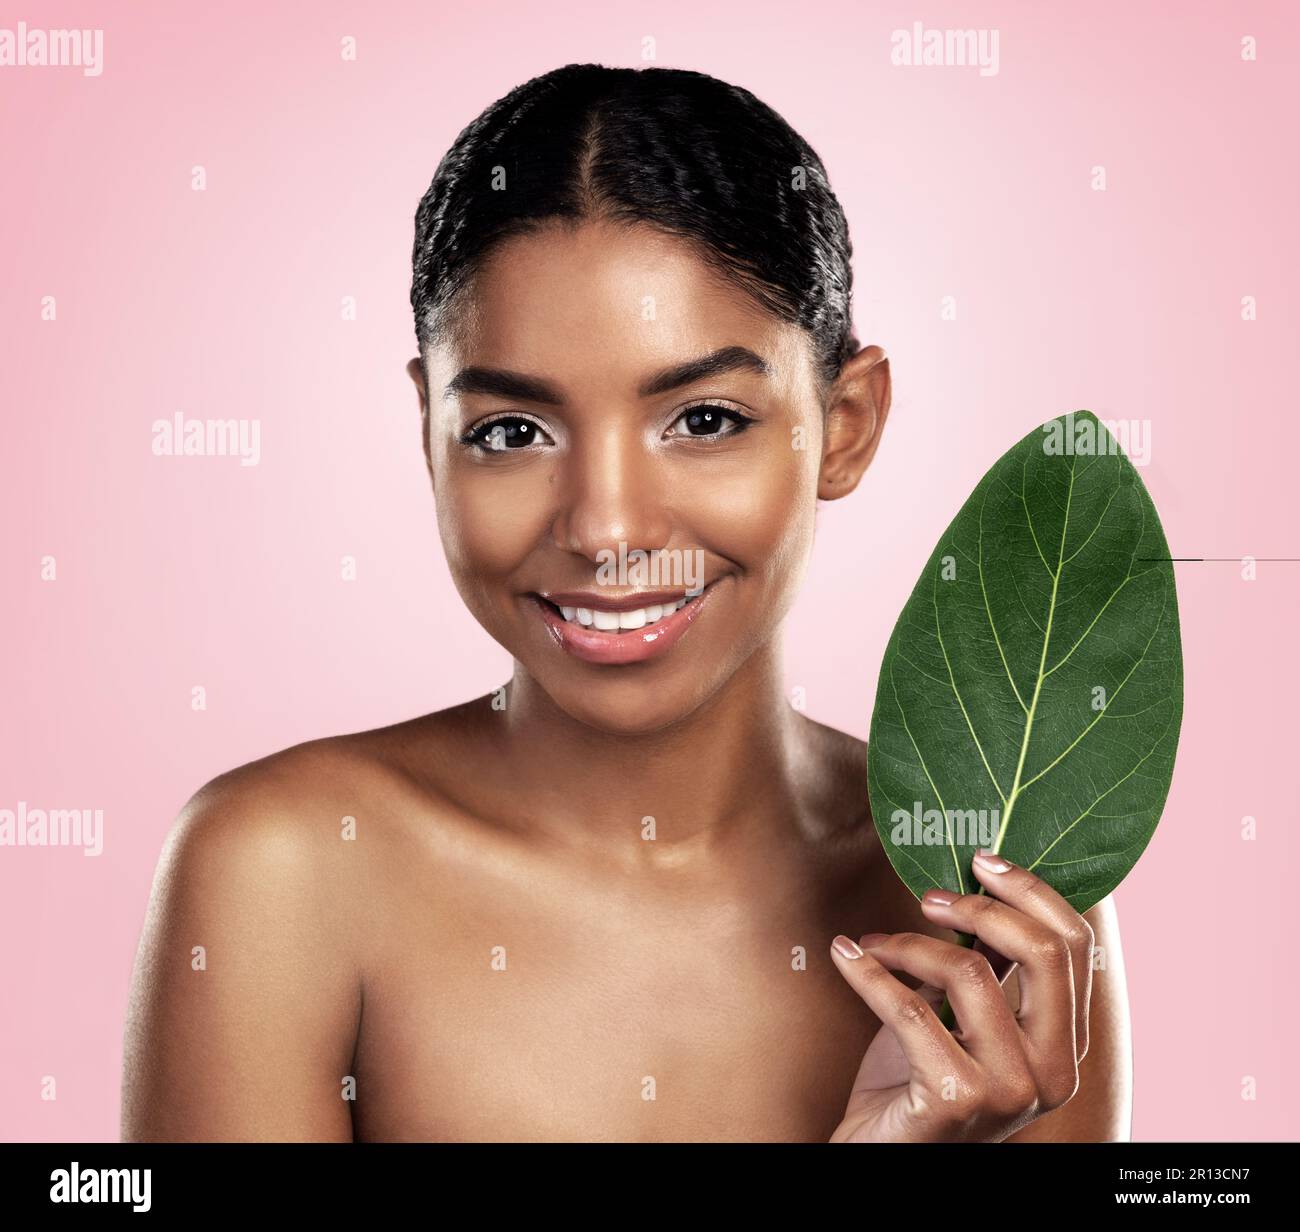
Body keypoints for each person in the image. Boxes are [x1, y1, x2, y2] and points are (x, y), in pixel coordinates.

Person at [121, 63, 1129, 1142]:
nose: (605, 528)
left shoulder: (1002, 907)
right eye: (513, 431)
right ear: (429, 429)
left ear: (843, 424)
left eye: (701, 419)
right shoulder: (284, 868)